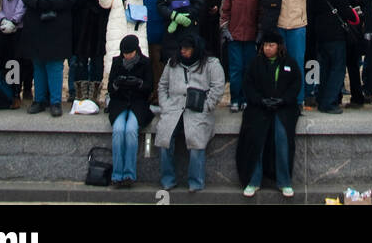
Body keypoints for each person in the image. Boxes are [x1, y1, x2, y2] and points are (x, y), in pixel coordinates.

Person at [156, 33, 225, 192]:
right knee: (164, 140)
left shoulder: (211, 64)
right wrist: (165, 106)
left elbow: (218, 87)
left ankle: (196, 182)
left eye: (187, 49)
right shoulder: (172, 63)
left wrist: (207, 106)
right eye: (181, 49)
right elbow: (162, 86)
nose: (183, 52)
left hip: (198, 110)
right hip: (173, 109)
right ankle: (168, 180)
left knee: (196, 143)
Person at [237, 29, 301, 197]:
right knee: (256, 137)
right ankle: (253, 180)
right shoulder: (255, 63)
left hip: (283, 108)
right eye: (265, 45)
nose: (267, 48)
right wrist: (260, 100)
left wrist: (283, 100)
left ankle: (284, 181)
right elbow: (248, 85)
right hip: (259, 107)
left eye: (271, 45)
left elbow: (295, 85)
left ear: (279, 47)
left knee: (282, 138)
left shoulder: (289, 63)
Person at [21, 0, 78, 116]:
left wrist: (51, 3)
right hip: (37, 26)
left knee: (54, 66)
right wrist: (39, 3)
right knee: (38, 64)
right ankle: (39, 100)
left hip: (58, 28)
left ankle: (55, 102)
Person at [98, 0, 151, 97]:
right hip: (117, 22)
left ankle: (138, 94)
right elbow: (108, 3)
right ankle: (113, 94)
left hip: (135, 23)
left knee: (138, 57)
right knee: (116, 58)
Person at [264, 0, 314, 108]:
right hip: (279, 23)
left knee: (297, 63)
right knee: (277, 63)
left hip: (297, 25)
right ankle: (278, 96)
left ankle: (298, 99)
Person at [308, 0, 354, 114]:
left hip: (320, 33)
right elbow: (344, 8)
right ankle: (329, 102)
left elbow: (311, 10)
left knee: (324, 67)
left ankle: (321, 98)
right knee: (337, 68)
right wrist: (353, 16)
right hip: (335, 32)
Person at [107, 34, 153, 189]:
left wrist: (138, 83)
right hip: (119, 103)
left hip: (138, 104)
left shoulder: (145, 62)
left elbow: (149, 87)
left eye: (130, 53)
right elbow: (110, 89)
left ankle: (129, 174)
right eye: (125, 53)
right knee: (119, 131)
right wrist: (117, 84)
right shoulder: (117, 62)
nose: (127, 56)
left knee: (131, 131)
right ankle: (117, 174)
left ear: (136, 50)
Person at [219, 0, 261, 112]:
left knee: (249, 69)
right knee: (236, 70)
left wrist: (260, 31)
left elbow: (260, 11)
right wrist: (225, 29)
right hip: (234, 35)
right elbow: (225, 10)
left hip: (251, 35)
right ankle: (235, 99)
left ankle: (247, 98)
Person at [72, 0, 112, 103]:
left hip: (100, 21)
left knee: (97, 58)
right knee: (80, 58)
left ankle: (95, 93)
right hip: (82, 22)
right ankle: (81, 93)